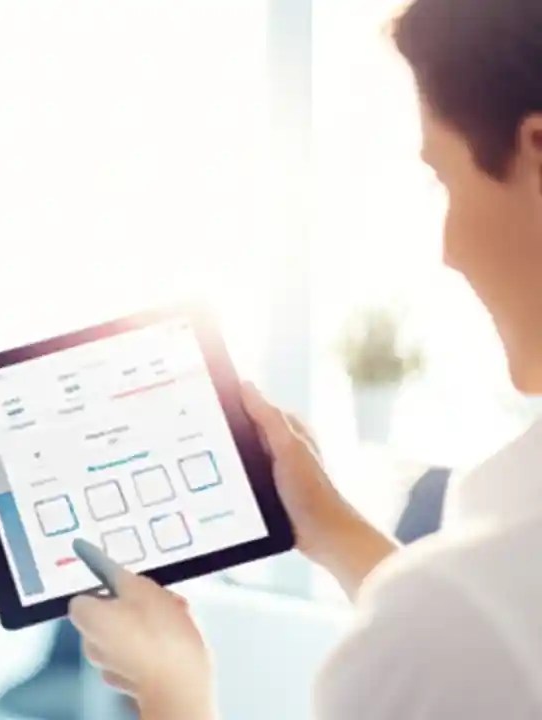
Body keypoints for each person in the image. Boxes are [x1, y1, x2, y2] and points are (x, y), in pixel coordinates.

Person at [69, 0, 542, 717]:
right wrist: (331, 527)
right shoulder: (478, 601)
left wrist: (172, 691)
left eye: (445, 180)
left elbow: (466, 637)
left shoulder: (452, 621)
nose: (447, 249)